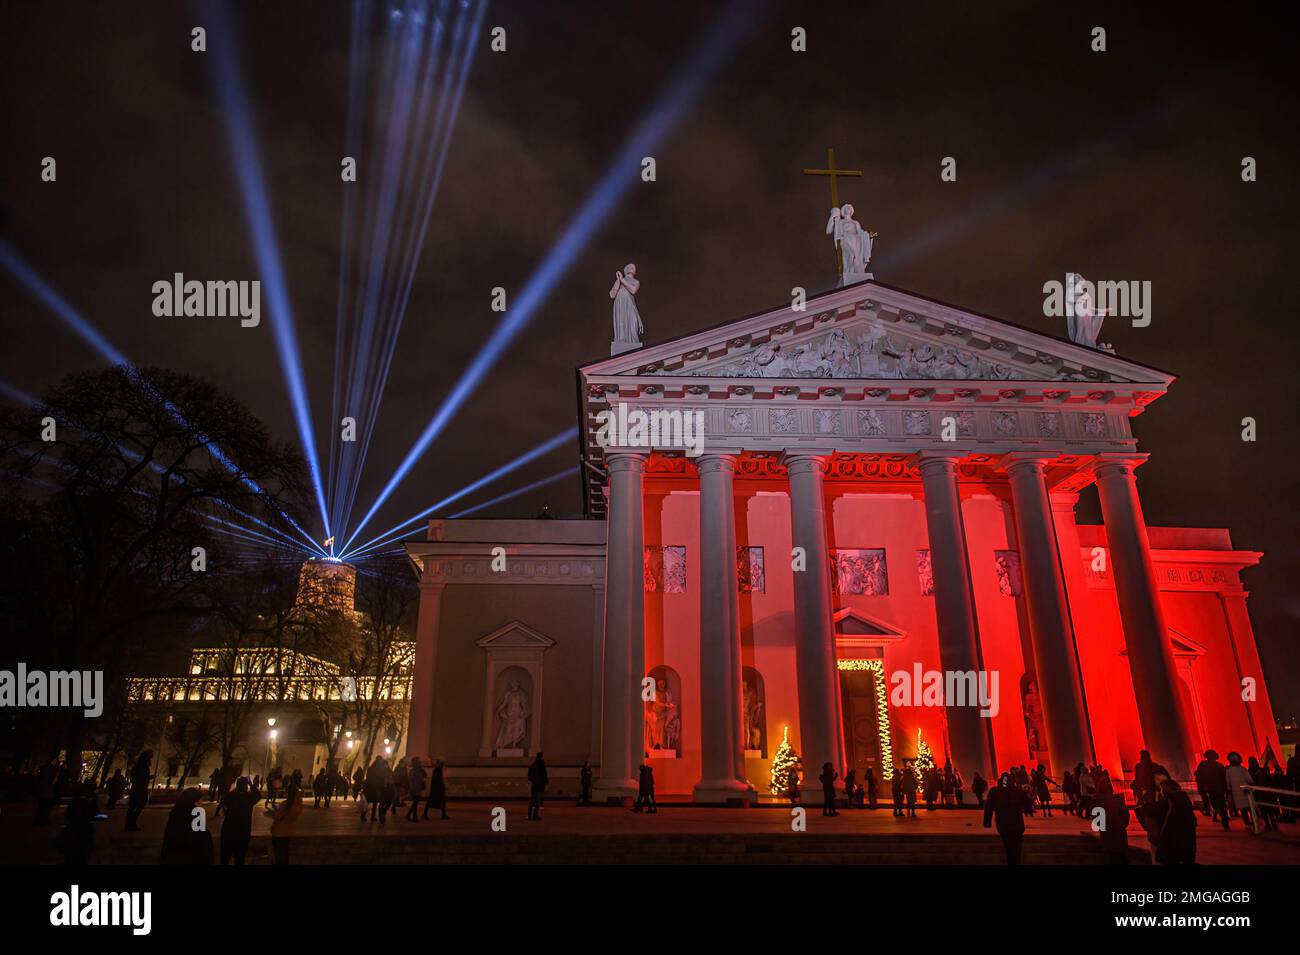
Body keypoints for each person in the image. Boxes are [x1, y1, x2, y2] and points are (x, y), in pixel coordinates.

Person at [983, 773, 1031, 865]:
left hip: (1003, 825)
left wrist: (987, 822)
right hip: (1017, 825)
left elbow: (988, 808)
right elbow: (1027, 805)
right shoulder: (1018, 791)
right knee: (1017, 847)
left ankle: (1011, 862)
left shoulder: (994, 792)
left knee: (1008, 847)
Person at [1148, 777, 1197, 864]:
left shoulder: (1169, 801)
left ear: (1166, 790)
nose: (1161, 792)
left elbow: (1150, 809)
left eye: (1161, 789)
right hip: (1187, 843)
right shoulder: (1184, 800)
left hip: (1172, 843)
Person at [160, 788, 213, 864]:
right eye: (201, 800)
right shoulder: (196, 813)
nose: (202, 803)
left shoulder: (176, 810)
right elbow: (202, 839)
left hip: (173, 855)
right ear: (195, 800)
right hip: (191, 856)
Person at [58, 781, 99, 865]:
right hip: (83, 830)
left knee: (72, 854)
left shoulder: (75, 800)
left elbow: (68, 815)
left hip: (74, 830)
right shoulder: (89, 800)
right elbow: (94, 813)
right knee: (81, 853)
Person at [219, 777, 256, 865]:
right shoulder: (249, 797)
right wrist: (251, 785)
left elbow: (223, 804)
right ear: (246, 785)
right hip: (243, 831)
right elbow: (258, 795)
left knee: (225, 857)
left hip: (229, 829)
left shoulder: (230, 796)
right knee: (240, 857)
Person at [1194, 750, 1230, 830]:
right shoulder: (1219, 765)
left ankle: (1224, 818)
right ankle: (1225, 819)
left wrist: (1201, 787)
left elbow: (1199, 776)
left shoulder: (1203, 765)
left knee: (1215, 804)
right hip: (1218, 789)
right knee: (1221, 804)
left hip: (1211, 789)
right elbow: (1224, 778)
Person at [269, 784, 304, 865]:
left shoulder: (285, 804)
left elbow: (277, 816)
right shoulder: (298, 805)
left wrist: (274, 811)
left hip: (279, 832)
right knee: (285, 854)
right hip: (289, 831)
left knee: (279, 855)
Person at [1098, 791, 1131, 864]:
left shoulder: (1098, 799)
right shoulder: (1118, 798)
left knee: (1111, 857)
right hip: (1120, 832)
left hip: (1107, 834)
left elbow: (1096, 820)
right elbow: (1126, 815)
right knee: (1122, 857)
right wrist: (1122, 825)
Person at [124, 751, 152, 832]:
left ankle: (129, 824)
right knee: (138, 806)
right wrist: (147, 778)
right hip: (140, 789)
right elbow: (142, 778)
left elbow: (134, 777)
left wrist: (149, 777)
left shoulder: (137, 766)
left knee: (133, 807)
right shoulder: (143, 766)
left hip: (136, 788)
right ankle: (131, 824)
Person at [1224, 751, 1253, 829]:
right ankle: (1254, 822)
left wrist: (1229, 790)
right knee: (1250, 808)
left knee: (1243, 810)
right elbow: (1250, 780)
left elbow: (1228, 783)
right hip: (1246, 791)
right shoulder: (1243, 769)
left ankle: (1247, 824)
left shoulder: (1228, 770)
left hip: (1236, 793)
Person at [363, 755, 391, 823]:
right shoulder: (378, 769)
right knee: (374, 802)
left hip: (370, 787)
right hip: (375, 787)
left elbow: (369, 778)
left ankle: (365, 815)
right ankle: (371, 816)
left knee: (370, 802)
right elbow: (378, 779)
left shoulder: (371, 768)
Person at [527, 752, 548, 820]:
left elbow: (529, 775)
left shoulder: (533, 765)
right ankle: (535, 815)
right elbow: (544, 775)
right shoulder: (541, 765)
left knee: (532, 801)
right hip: (540, 785)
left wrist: (532, 780)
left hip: (534, 785)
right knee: (537, 801)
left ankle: (529, 815)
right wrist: (545, 783)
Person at [406, 757, 426, 822]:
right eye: (419, 761)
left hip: (418, 788)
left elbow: (424, 775)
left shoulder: (420, 770)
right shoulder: (413, 770)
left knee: (415, 803)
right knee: (415, 803)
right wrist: (411, 789)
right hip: (414, 789)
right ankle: (414, 817)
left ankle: (409, 815)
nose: (420, 762)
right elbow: (410, 780)